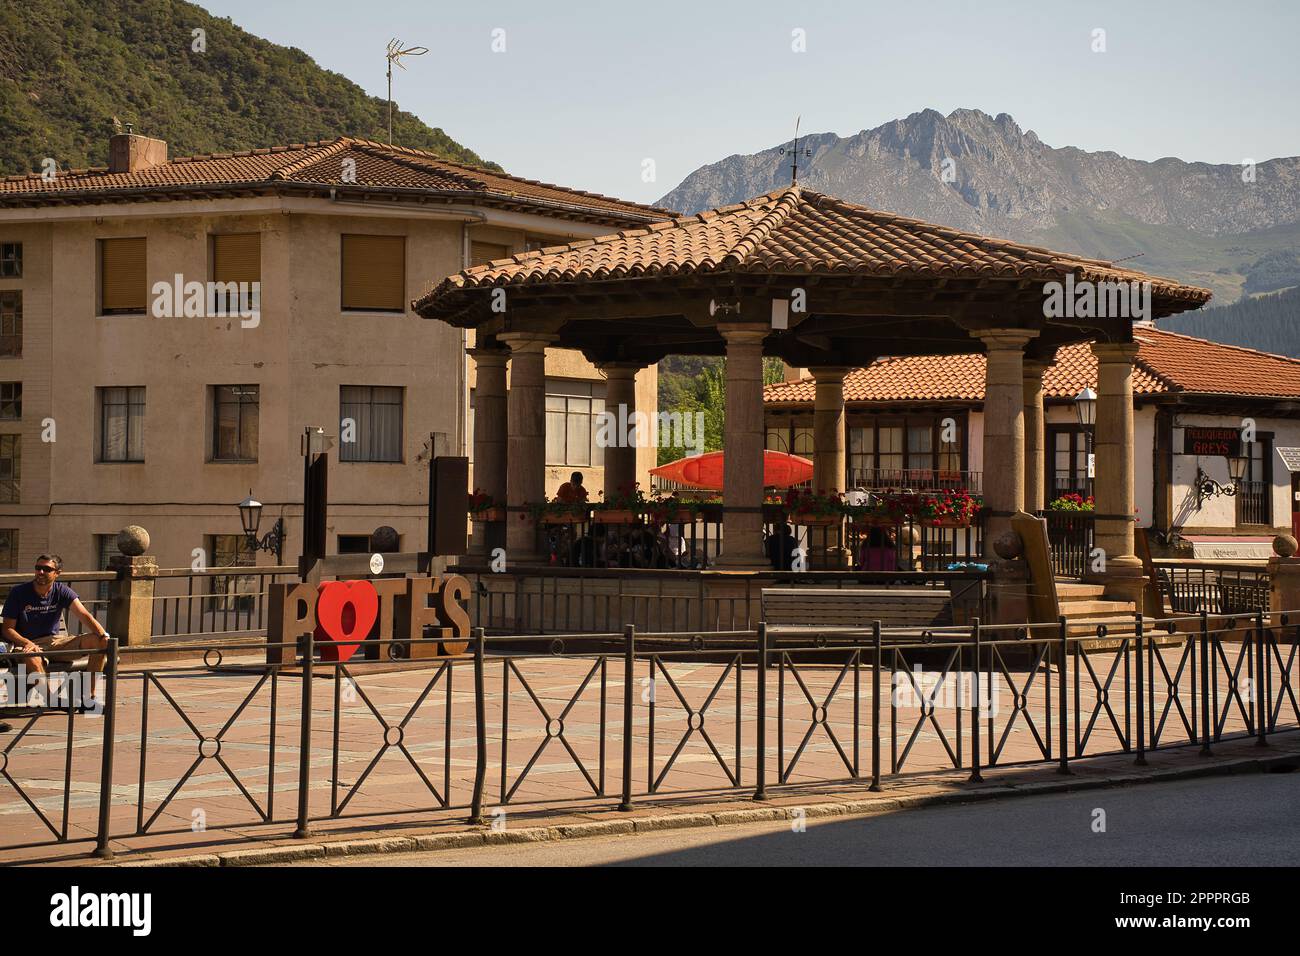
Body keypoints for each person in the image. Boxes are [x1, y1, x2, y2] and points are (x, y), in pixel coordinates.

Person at [1, 554, 110, 705]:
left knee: (97, 641)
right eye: (38, 568)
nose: (40, 572)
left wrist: (103, 635)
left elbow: (84, 615)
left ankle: (89, 698)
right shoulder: (19, 593)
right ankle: (51, 700)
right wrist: (27, 643)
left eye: (46, 569)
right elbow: (7, 629)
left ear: (57, 573)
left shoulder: (61, 591)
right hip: (26, 645)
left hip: (55, 642)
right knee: (31, 656)